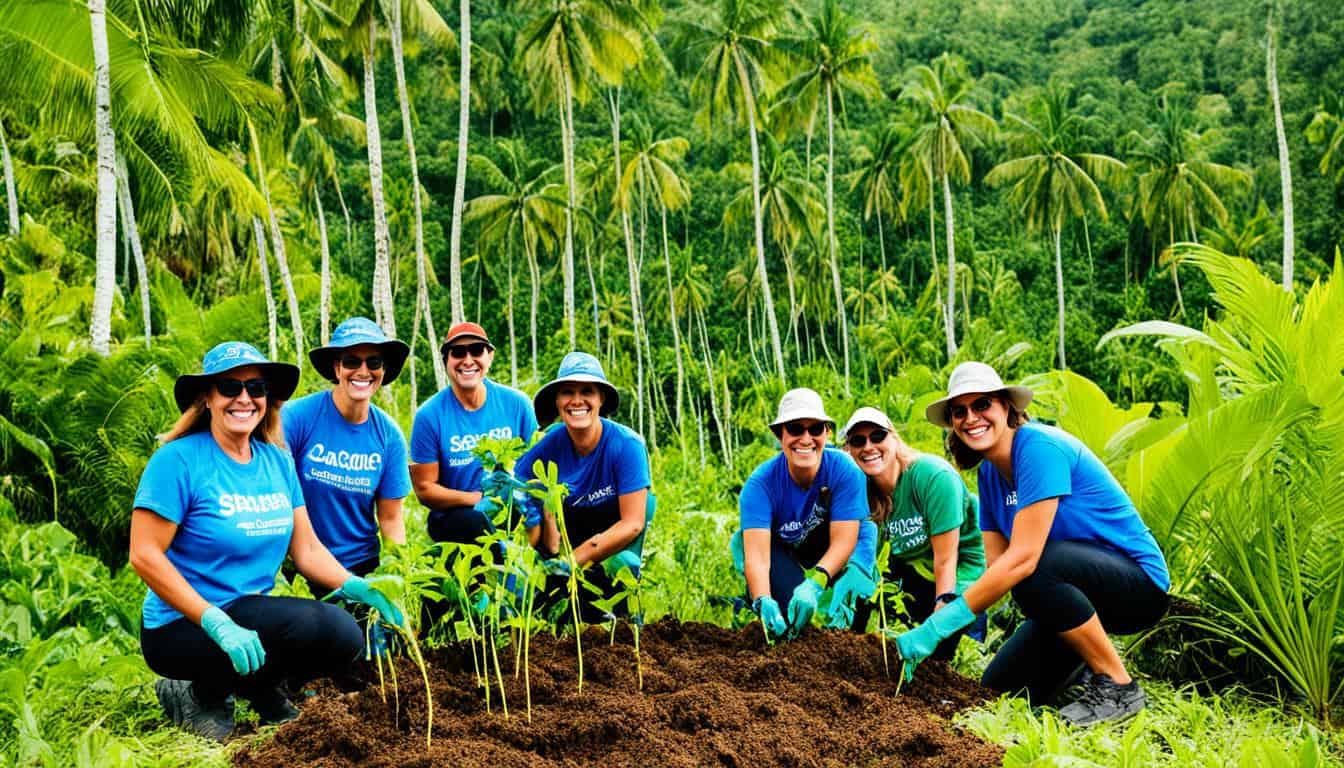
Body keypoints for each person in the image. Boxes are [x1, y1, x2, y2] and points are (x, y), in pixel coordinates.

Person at [129, 342, 405, 741]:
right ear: (207, 397)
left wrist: (361, 587)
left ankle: (259, 686)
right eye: (230, 387)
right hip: (183, 624)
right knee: (297, 629)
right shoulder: (178, 460)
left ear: (267, 399)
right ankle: (199, 693)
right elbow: (144, 554)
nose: (244, 398)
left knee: (342, 634)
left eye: (256, 388)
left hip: (246, 610)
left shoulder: (276, 461)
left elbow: (307, 550)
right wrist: (214, 620)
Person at [893, 361, 1170, 726]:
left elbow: (1023, 559)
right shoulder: (990, 474)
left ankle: (1118, 686)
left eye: (982, 405)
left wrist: (939, 625)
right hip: (1072, 594)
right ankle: (1083, 667)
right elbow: (996, 567)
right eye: (959, 411)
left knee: (1031, 566)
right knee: (997, 689)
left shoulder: (1039, 448)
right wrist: (943, 617)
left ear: (1007, 407)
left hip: (1137, 586)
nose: (971, 417)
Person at [514, 352, 653, 622]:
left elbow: (633, 523)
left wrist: (571, 564)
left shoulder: (626, 445)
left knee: (618, 597)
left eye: (587, 391)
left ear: (601, 399)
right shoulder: (548, 446)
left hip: (614, 541)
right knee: (549, 612)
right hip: (568, 538)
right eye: (567, 392)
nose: (577, 400)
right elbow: (515, 487)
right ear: (557, 401)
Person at [835, 406, 986, 653]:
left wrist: (940, 618)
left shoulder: (932, 476)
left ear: (894, 439)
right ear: (848, 450)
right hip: (912, 575)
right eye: (858, 441)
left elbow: (946, 559)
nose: (868, 447)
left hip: (958, 574)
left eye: (877, 436)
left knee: (949, 660)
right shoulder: (861, 492)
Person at [733, 388, 877, 641]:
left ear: (827, 433)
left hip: (840, 539)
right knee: (788, 622)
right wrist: (763, 599)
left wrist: (816, 583)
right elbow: (757, 557)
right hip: (791, 546)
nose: (806, 439)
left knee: (847, 623)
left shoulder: (844, 470)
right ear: (780, 434)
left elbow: (844, 540)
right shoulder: (760, 485)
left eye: (816, 429)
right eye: (795, 429)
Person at [283, 317, 412, 576]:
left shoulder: (389, 436)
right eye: (352, 361)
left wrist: (401, 573)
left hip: (360, 563)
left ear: (383, 370)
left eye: (373, 363)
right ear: (337, 368)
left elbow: (390, 518)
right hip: (302, 561)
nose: (363, 371)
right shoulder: (297, 418)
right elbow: (277, 491)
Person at [409, 322, 537, 546]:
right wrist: (477, 499)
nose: (468, 360)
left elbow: (536, 470)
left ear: (490, 356)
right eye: (458, 352)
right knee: (475, 522)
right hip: (455, 515)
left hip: (510, 508)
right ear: (446, 361)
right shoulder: (429, 415)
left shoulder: (517, 404)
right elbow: (425, 489)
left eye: (476, 350)